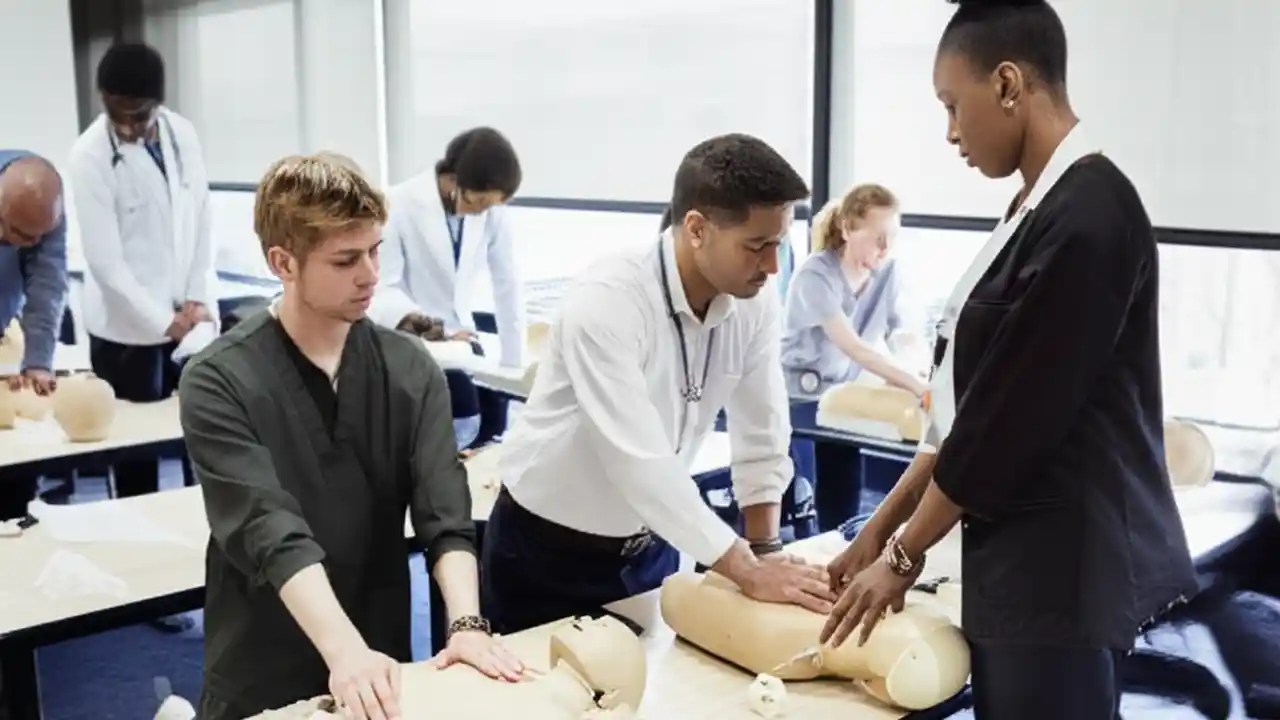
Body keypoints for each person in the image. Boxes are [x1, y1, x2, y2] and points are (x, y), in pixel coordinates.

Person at [818, 1, 1197, 717]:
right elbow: (969, 411)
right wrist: (877, 532)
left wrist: (902, 557)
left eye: (953, 106)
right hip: (1020, 573)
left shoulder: (1090, 216)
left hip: (1062, 581)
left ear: (1009, 84)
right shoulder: (1035, 208)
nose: (952, 132)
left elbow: (1009, 420)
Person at [179, 153, 522, 720]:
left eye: (375, 250)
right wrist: (344, 653)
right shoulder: (218, 379)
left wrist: (464, 623)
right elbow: (269, 529)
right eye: (345, 260)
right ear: (282, 262)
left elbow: (445, 511)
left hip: (378, 655)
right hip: (263, 658)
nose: (370, 275)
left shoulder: (410, 367)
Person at [480, 134, 838, 635]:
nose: (772, 267)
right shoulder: (607, 301)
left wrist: (765, 553)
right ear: (696, 228)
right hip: (546, 552)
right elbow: (638, 462)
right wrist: (748, 571)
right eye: (756, 246)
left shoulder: (754, 301)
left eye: (778, 244)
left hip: (653, 543)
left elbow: (763, 431)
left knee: (654, 697)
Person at [67, 42, 216, 497]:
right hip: (126, 333)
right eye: (118, 114)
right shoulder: (89, 156)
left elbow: (201, 215)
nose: (129, 126)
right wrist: (164, 321)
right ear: (103, 99)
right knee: (137, 455)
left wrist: (196, 297)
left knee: (195, 437)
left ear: (159, 102)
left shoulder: (181, 134)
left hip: (186, 319)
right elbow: (106, 263)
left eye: (139, 114)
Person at [370, 127, 524, 449]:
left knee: (495, 423)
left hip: (464, 338)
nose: (482, 212)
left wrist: (515, 368)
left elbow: (508, 284)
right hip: (415, 339)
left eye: (490, 206)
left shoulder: (490, 211)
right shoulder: (398, 203)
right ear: (453, 179)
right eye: (476, 202)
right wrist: (435, 330)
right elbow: (384, 289)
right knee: (462, 422)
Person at [780, 184, 926, 398]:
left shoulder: (889, 272)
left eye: (892, 236)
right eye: (878, 237)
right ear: (847, 230)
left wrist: (914, 364)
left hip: (839, 394)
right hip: (799, 398)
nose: (886, 247)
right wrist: (914, 384)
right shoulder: (815, 275)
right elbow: (853, 347)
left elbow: (900, 333)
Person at [0, 152, 66, 521]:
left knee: (14, 461)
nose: (6, 239)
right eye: (5, 225)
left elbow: (46, 286)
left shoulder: (43, 208)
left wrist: (38, 361)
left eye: (26, 237)